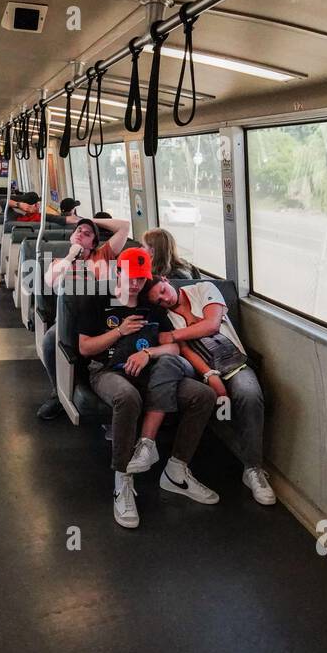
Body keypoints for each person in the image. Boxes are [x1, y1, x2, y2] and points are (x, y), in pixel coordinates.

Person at [78, 248, 218, 528]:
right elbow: (84, 348)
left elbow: (172, 345)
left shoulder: (150, 304)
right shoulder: (94, 298)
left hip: (149, 371)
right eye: (130, 277)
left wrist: (148, 354)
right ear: (119, 272)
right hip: (106, 371)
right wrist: (119, 331)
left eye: (140, 279)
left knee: (203, 395)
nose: (134, 284)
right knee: (127, 397)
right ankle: (123, 480)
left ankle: (176, 471)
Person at [145, 276, 276, 505]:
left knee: (249, 394)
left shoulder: (203, 289)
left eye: (163, 291)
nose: (165, 300)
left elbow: (212, 324)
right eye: (158, 300)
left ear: (166, 280)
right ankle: (177, 467)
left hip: (232, 361)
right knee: (199, 394)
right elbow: (185, 350)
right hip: (200, 368)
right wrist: (209, 375)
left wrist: (175, 334)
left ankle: (253, 469)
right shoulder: (165, 316)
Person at [35, 213, 131, 420]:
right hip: (71, 319)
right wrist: (71, 257)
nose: (81, 233)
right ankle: (57, 391)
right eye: (78, 230)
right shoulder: (60, 261)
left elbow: (124, 226)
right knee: (50, 341)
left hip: (102, 317)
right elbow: (49, 282)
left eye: (87, 234)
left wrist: (90, 221)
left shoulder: (104, 254)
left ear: (94, 242)